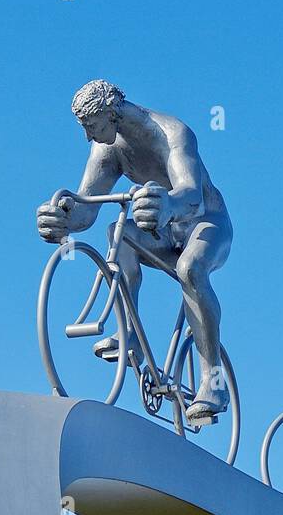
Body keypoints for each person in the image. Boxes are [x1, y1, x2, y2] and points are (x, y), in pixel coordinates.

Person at [36, 79, 232, 424]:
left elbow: (191, 193)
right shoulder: (106, 148)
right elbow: (86, 209)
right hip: (162, 229)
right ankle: (131, 338)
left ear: (112, 114)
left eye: (91, 127)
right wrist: (61, 218)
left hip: (205, 222)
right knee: (118, 233)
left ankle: (211, 380)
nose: (87, 137)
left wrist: (168, 203)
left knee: (190, 270)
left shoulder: (171, 133)